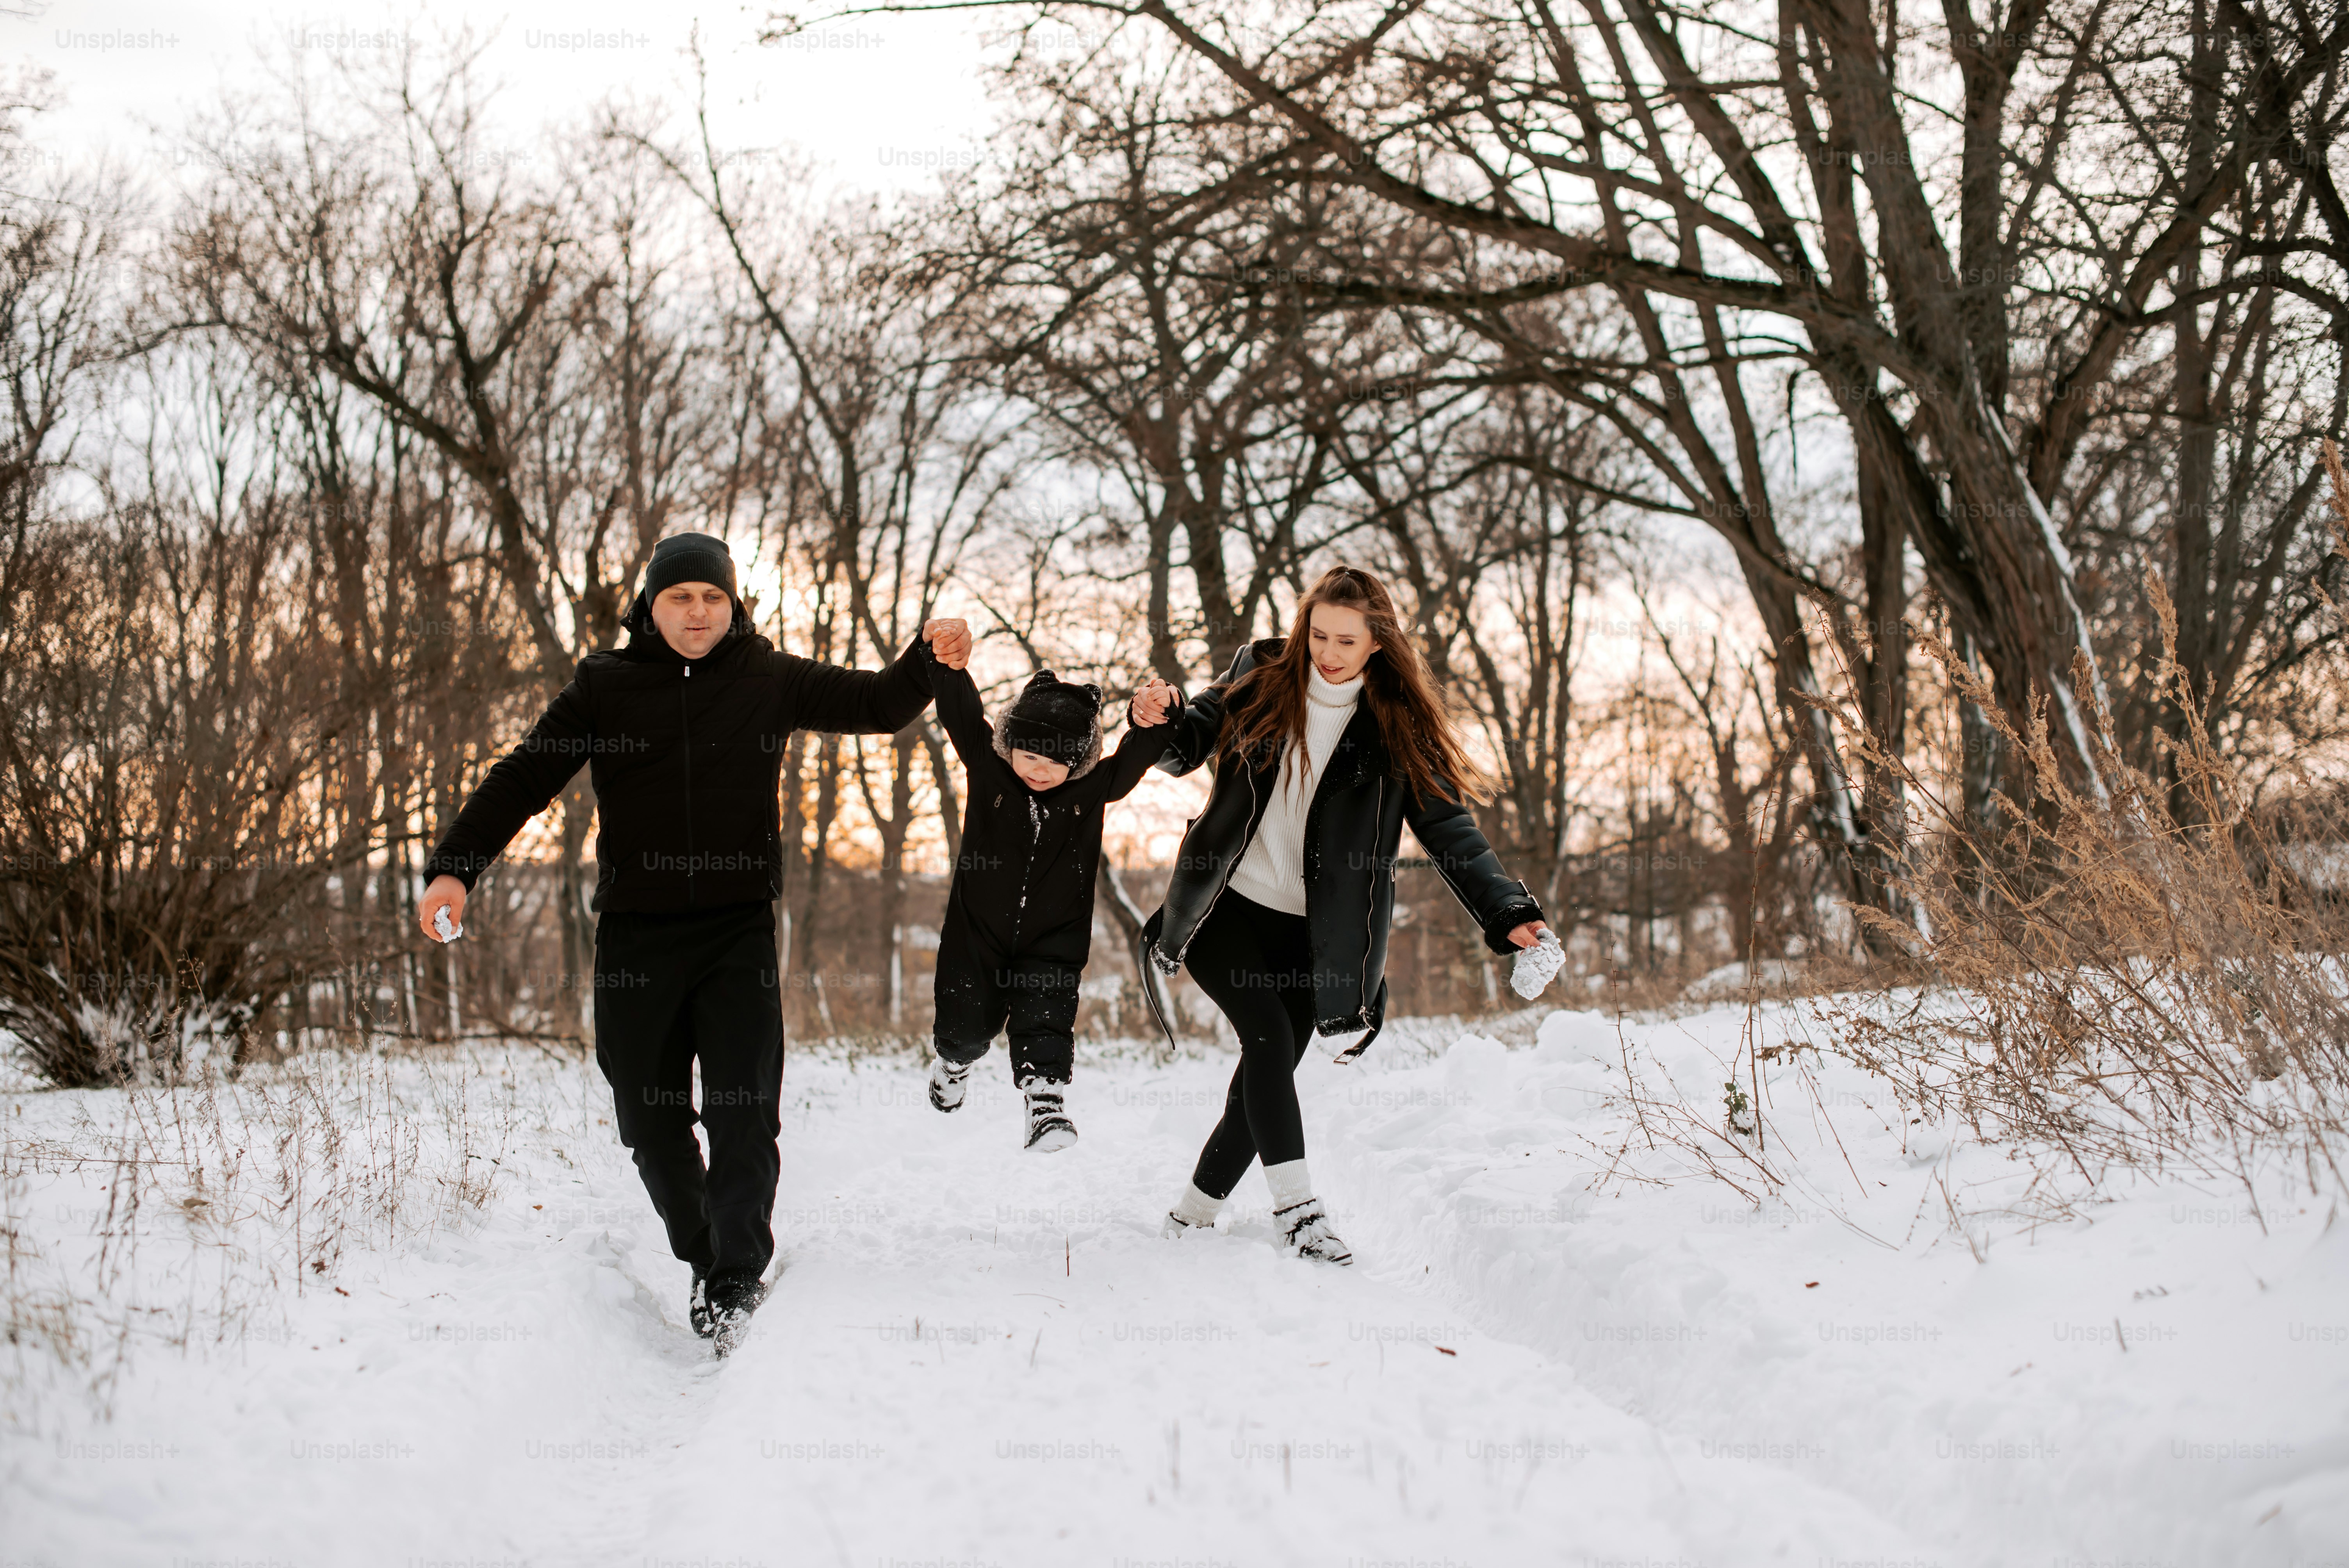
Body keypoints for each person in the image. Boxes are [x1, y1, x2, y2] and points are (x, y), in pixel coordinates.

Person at [415, 531, 967, 1354]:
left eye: (712, 596)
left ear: (733, 602)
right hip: (636, 934)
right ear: (652, 605)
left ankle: (737, 1277)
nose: (698, 610)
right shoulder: (605, 686)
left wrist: (928, 656)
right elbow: (525, 775)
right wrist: (455, 868)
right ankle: (707, 1255)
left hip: (736, 927)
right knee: (648, 1116)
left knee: (743, 1112)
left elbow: (877, 706)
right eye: (681, 597)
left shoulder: (768, 677)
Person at [1142, 565, 1551, 1265]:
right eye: (1319, 635)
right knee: (1268, 1040)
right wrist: (1161, 715)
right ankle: (1299, 1214)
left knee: (1262, 1081)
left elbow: (1450, 831)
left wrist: (1507, 910)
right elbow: (1192, 737)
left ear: (1377, 645)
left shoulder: (1397, 730)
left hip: (1314, 938)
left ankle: (1190, 1217)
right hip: (1223, 908)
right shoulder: (1262, 672)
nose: (1328, 653)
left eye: (1346, 640)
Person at [920, 634, 1180, 1149]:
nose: (1040, 769)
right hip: (977, 933)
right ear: (1009, 744)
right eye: (1030, 754)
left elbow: (1142, 748)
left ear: (1079, 761)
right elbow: (959, 710)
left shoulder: (1093, 789)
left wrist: (1159, 713)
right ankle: (953, 1063)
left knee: (1047, 1014)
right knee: (968, 1025)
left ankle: (1045, 1104)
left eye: (1056, 761)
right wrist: (946, 662)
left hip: (1056, 937)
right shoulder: (988, 768)